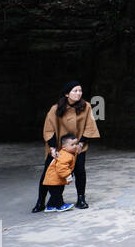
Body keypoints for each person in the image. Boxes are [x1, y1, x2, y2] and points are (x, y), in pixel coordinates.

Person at [34, 81, 99, 212]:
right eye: (75, 91)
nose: (78, 93)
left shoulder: (86, 107)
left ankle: (81, 199)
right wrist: (52, 148)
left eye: (80, 91)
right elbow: (49, 129)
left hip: (78, 146)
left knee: (80, 171)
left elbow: (89, 126)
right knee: (48, 172)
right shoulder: (56, 108)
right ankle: (41, 201)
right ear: (66, 93)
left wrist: (81, 143)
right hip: (58, 147)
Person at [40, 135, 83, 211]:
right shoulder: (65, 155)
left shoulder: (69, 153)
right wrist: (68, 176)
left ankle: (50, 206)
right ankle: (60, 205)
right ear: (64, 147)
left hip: (55, 179)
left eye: (76, 144)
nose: (75, 146)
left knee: (56, 193)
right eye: (72, 145)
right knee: (57, 193)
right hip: (53, 179)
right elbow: (61, 168)